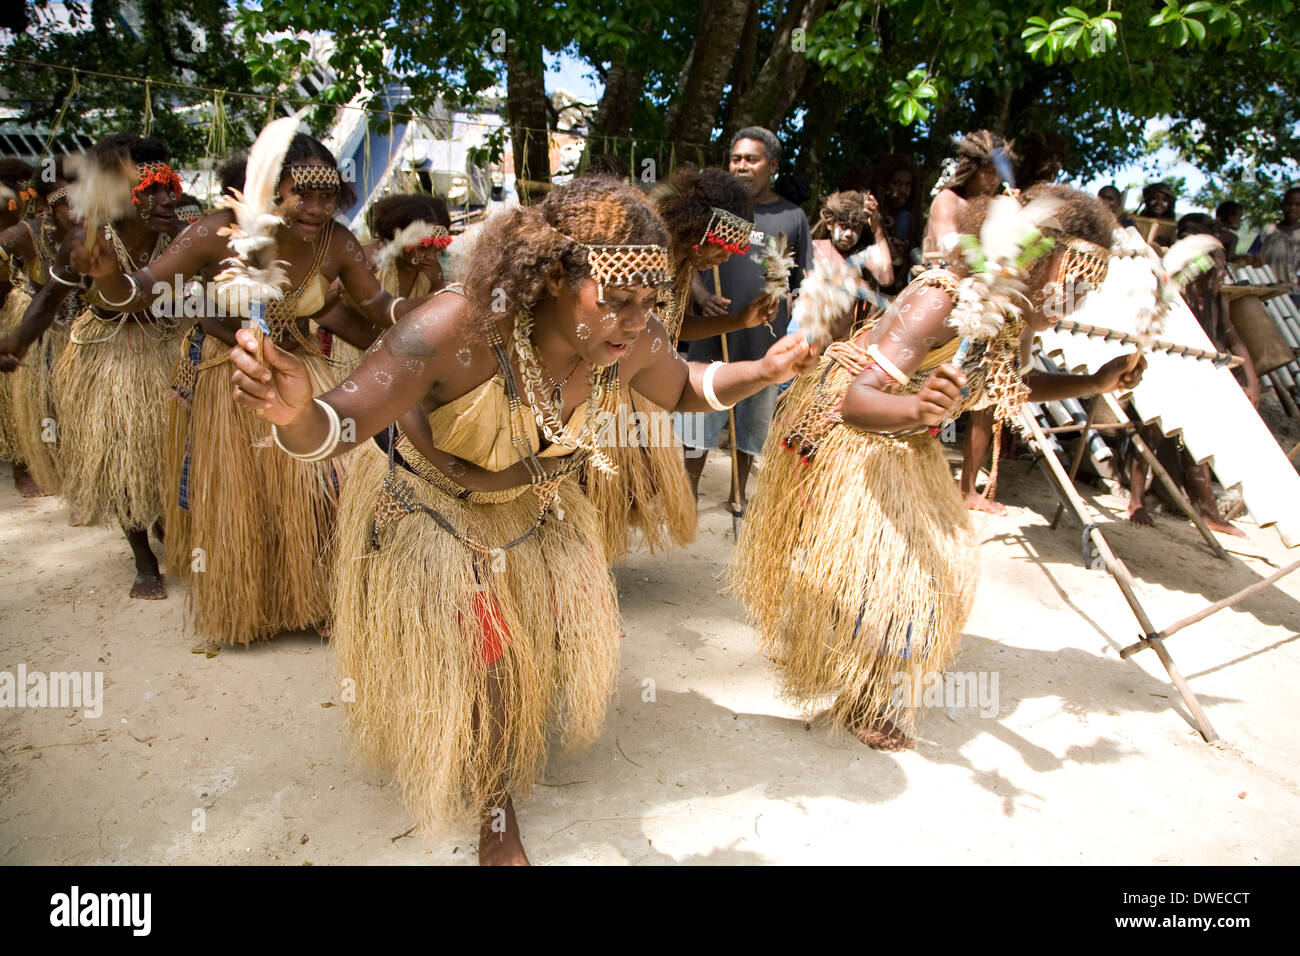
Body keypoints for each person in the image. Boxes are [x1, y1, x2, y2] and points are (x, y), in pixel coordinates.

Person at [226, 176, 818, 864]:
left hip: (537, 508)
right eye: (619, 302)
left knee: (534, 654)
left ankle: (493, 739)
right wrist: (297, 412)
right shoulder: (453, 327)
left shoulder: (631, 334)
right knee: (492, 662)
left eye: (649, 305)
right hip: (435, 514)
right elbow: (334, 428)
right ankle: (495, 801)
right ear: (552, 280)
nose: (637, 323)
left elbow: (684, 384)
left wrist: (764, 370)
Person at [732, 184, 1146, 752]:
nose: (1073, 298)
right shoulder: (941, 298)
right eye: (1070, 278)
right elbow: (857, 400)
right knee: (896, 576)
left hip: (908, 436)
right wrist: (918, 407)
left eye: (1086, 287)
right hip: (846, 431)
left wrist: (1094, 383)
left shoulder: (1008, 320)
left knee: (934, 572)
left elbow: (1008, 385)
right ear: (1034, 257)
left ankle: (866, 681)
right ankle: (865, 695)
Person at [73, 132, 419, 643]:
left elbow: (383, 310)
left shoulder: (337, 243)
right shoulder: (216, 233)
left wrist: (448, 305)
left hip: (298, 375)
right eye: (302, 194)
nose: (318, 209)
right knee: (238, 501)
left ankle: (317, 596)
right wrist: (105, 277)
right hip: (227, 376)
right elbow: (139, 291)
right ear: (266, 189)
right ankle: (244, 610)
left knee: (319, 491)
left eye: (328, 196)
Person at [587, 166, 755, 557]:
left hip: (643, 387)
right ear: (695, 226)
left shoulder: (681, 267)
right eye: (720, 244)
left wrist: (739, 321)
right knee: (593, 484)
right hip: (605, 390)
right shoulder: (644, 257)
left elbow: (669, 338)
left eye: (733, 248)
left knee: (629, 490)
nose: (724, 257)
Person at [53, 133, 184, 598]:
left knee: (170, 449)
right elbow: (50, 295)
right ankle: (143, 556)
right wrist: (18, 340)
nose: (167, 198)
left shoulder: (182, 235)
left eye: (171, 187)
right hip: (109, 356)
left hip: (166, 347)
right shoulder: (89, 238)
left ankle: (169, 524)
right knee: (123, 455)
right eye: (152, 189)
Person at [679, 126, 812, 512]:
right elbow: (689, 260)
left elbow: (802, 280)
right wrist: (702, 296)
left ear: (771, 165)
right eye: (736, 158)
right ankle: (687, 490)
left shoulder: (792, 216)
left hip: (763, 339)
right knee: (699, 413)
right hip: (712, 329)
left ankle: (738, 492)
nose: (741, 166)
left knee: (751, 423)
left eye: (750, 159)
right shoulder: (719, 211)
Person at [1125, 214, 1258, 536]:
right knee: (1150, 433)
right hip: (1168, 368)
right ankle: (1136, 499)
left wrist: (1251, 379)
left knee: (1199, 441)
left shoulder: (1216, 298)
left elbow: (1231, 334)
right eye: (1215, 267)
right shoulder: (1174, 294)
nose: (1220, 274)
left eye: (1222, 267)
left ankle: (1209, 511)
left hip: (1203, 370)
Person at [926, 131, 1018, 514]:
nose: (994, 180)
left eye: (998, 173)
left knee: (987, 401)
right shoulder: (949, 199)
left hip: (987, 304)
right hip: (943, 299)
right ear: (972, 168)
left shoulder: (1000, 207)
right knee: (930, 388)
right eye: (987, 171)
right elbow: (951, 248)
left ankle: (968, 489)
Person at [0, 160, 80, 498]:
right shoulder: (22, 235)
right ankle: (26, 465)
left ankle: (79, 475)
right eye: (67, 199)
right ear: (46, 202)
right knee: (38, 403)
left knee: (74, 407)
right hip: (41, 328)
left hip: (83, 330)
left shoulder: (96, 233)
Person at [320, 192, 451, 369]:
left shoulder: (433, 273)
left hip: (394, 362)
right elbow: (320, 310)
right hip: (344, 358)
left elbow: (435, 321)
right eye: (424, 247)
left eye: (439, 249)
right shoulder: (366, 259)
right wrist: (366, 338)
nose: (431, 257)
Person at [808, 190, 892, 337]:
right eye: (843, 225)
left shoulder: (861, 257)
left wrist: (877, 230)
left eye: (855, 228)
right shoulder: (813, 248)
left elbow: (886, 278)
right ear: (830, 224)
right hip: (802, 336)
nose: (848, 233)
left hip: (837, 346)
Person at [868, 154, 922, 295]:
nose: (904, 191)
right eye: (897, 184)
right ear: (885, 185)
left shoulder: (911, 220)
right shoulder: (871, 216)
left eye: (908, 185)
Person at [1249, 186, 1300, 295]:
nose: (1292, 208)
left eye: (1297, 205)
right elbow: (1250, 259)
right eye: (1288, 204)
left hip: (1291, 292)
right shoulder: (1268, 230)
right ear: (1282, 206)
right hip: (1263, 289)